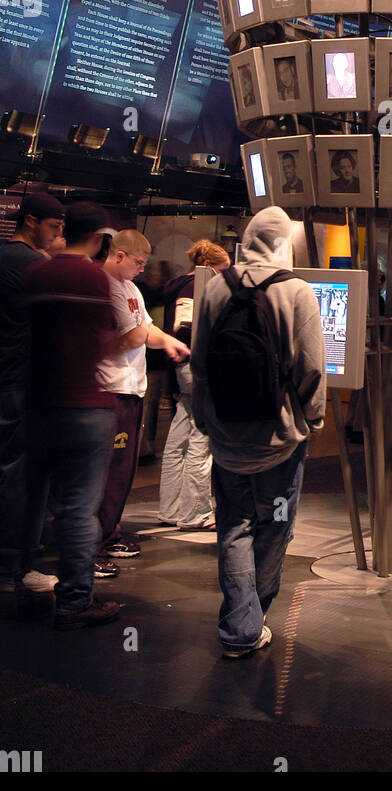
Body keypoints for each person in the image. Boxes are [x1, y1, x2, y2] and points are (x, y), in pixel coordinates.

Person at [191, 208, 326, 657]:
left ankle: (240, 624)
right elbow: (311, 369)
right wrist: (313, 419)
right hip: (279, 436)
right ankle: (250, 620)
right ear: (283, 242)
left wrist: (202, 416)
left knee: (233, 526)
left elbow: (200, 362)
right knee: (277, 525)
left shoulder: (215, 287)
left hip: (226, 432)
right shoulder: (297, 291)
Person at [18, 203, 121, 629]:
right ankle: (75, 600)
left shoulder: (36, 274)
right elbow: (111, 340)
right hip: (85, 407)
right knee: (79, 510)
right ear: (97, 238)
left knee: (33, 500)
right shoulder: (95, 278)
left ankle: (21, 580)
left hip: (38, 405)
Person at [94, 232, 190, 571]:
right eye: (137, 263)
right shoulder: (102, 286)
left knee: (123, 470)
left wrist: (168, 342)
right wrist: (147, 335)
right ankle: (93, 546)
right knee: (106, 472)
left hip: (133, 388)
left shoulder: (131, 289)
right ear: (119, 255)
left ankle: (108, 534)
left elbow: (145, 330)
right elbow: (129, 336)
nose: (141, 270)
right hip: (110, 391)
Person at [0, 192, 65, 594]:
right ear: (30, 222)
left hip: (7, 379)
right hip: (21, 382)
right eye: (54, 228)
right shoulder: (33, 265)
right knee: (19, 475)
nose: (58, 236)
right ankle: (14, 568)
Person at [158, 241, 231, 531]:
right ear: (211, 267)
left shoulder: (176, 285)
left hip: (180, 369)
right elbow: (183, 327)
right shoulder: (193, 288)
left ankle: (171, 508)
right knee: (201, 442)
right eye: (223, 271)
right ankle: (195, 513)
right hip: (195, 368)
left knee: (179, 440)